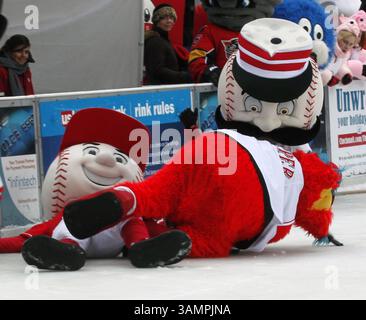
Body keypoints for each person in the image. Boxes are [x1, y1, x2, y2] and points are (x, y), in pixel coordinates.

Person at [144, 3, 192, 85]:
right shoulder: (155, 41)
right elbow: (157, 70)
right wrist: (184, 77)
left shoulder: (164, 40)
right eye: (164, 18)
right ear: (157, 20)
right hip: (160, 92)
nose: (169, 21)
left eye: (172, 18)